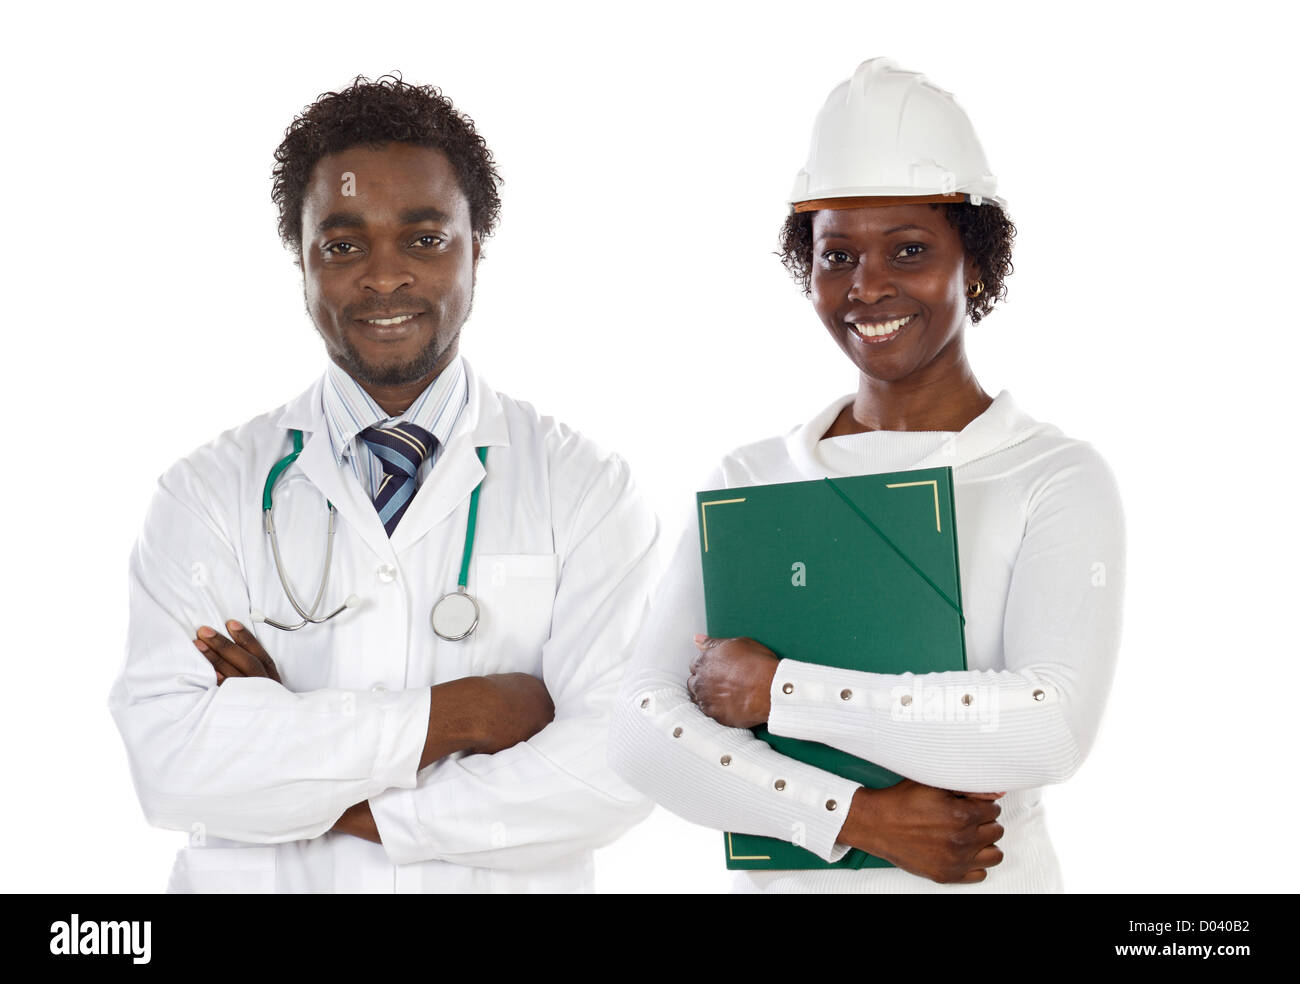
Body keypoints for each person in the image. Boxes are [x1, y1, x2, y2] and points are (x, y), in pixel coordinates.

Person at [109, 75, 657, 893]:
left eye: (425, 239)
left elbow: (613, 769)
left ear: (479, 249)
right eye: (342, 245)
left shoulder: (585, 489)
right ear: (301, 261)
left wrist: (316, 779)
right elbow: (171, 765)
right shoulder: (204, 495)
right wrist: (457, 717)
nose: (383, 276)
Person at [609, 58, 1125, 892]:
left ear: (978, 263)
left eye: (909, 250)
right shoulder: (753, 479)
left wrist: (779, 692)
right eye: (837, 255)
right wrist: (855, 818)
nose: (867, 286)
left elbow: (1049, 728)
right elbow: (638, 729)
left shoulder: (1053, 476)